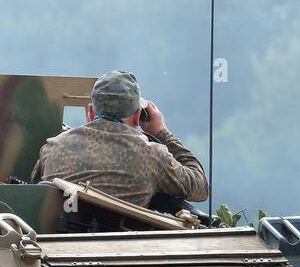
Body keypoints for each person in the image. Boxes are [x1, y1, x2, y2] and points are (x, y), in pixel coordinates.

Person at [30, 70, 208, 212]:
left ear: (91, 112)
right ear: (138, 117)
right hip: (122, 249)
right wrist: (162, 133)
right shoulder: (152, 156)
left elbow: (35, 186)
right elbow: (200, 187)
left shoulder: (53, 147)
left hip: (62, 247)